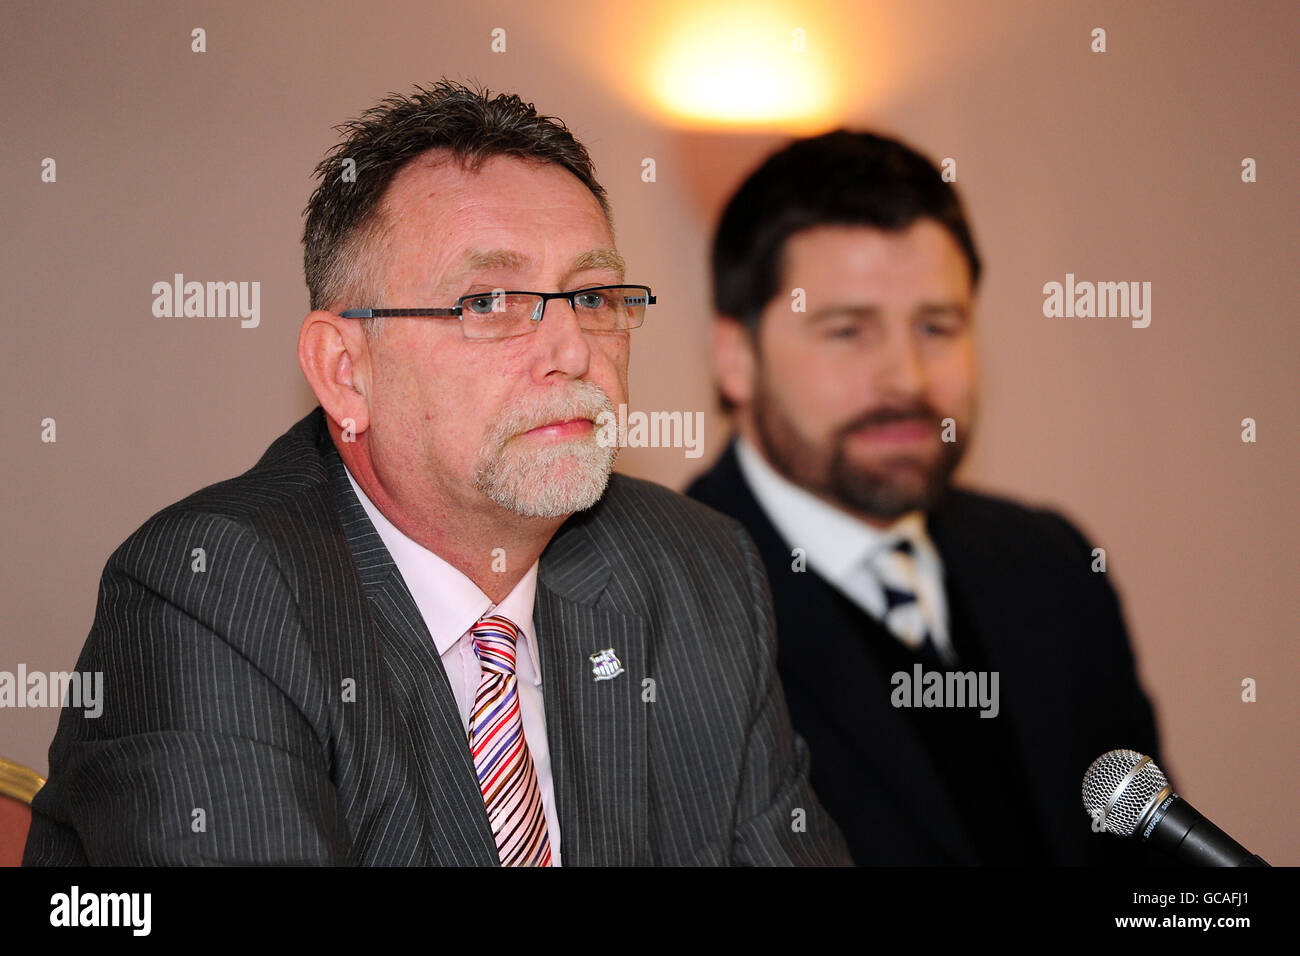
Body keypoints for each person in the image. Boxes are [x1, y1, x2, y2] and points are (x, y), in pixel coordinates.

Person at [24, 82, 849, 866]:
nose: (572, 351)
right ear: (346, 370)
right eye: (488, 303)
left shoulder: (695, 569)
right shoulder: (211, 596)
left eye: (593, 297)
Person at [687, 130, 1164, 865]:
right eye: (847, 331)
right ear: (735, 357)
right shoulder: (661, 610)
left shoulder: (1053, 566)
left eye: (937, 327)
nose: (907, 379)